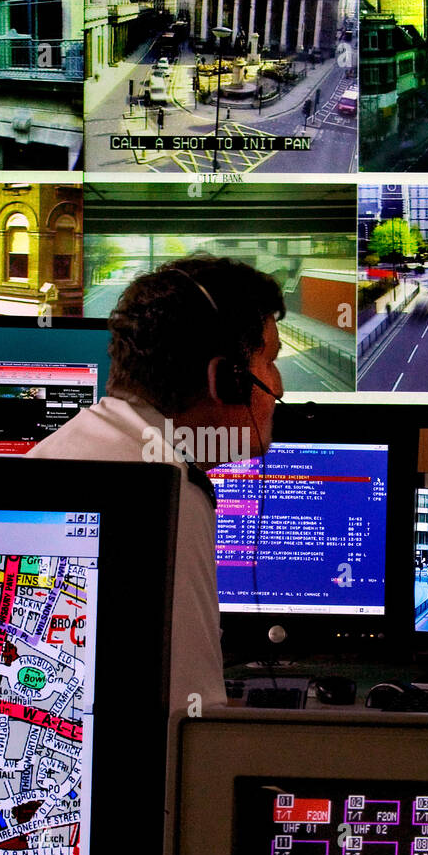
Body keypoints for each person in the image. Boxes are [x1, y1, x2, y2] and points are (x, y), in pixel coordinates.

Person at [27, 257, 286, 712]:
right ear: (223, 379)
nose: (278, 388)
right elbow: (187, 731)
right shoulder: (163, 497)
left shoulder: (63, 452)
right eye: (270, 361)